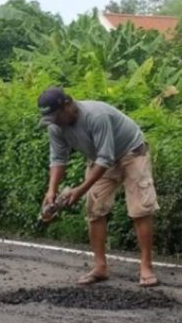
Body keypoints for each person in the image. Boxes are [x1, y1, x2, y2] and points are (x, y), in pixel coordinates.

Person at [39, 87, 160, 287]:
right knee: (94, 210)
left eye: (57, 115)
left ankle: (146, 267)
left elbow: (106, 158)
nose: (55, 121)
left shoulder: (96, 116)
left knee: (140, 209)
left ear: (68, 104)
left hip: (132, 152)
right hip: (101, 159)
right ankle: (100, 267)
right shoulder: (55, 126)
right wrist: (51, 190)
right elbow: (58, 158)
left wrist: (80, 189)